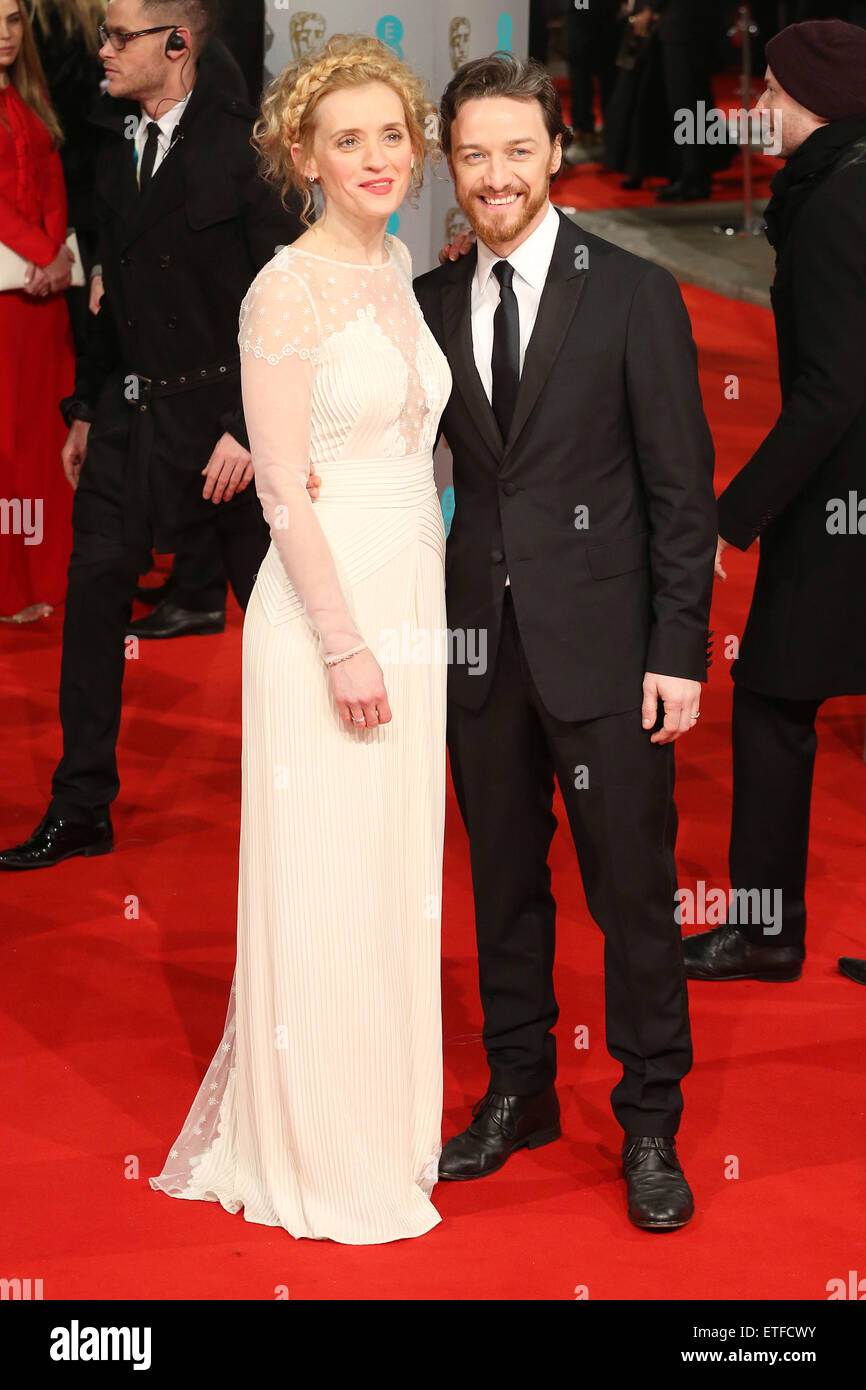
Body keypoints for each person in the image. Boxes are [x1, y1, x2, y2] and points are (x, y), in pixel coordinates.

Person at [320, 52, 718, 1230]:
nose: (495, 175)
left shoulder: (633, 293)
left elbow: (680, 493)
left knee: (630, 895)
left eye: (516, 151)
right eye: (473, 154)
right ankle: (519, 1087)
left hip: (608, 652)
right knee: (500, 884)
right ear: (450, 165)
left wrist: (678, 651)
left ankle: (649, 1120)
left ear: (554, 154)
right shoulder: (429, 302)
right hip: (476, 651)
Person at [149, 33, 452, 1244]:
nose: (376, 158)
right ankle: (315, 1149)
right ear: (302, 156)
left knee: (390, 877)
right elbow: (279, 484)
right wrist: (342, 643)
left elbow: (410, 442)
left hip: (409, 597)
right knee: (325, 879)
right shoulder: (284, 288)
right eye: (347, 140)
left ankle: (381, 1127)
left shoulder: (397, 266)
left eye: (392, 135)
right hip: (329, 619)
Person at [0, 0, 302, 871]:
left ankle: (313, 806)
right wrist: (88, 408)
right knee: (93, 601)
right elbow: (113, 295)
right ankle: (80, 806)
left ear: (176, 43)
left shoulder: (247, 150)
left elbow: (291, 302)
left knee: (282, 624)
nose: (101, 50)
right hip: (130, 417)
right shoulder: (112, 144)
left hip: (224, 432)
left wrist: (247, 427)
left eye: (117, 36)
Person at [683, 20, 866, 984]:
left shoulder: (835, 203)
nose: (754, 107)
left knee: (770, 701)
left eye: (770, 92)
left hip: (839, 500)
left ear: (815, 102)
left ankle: (764, 932)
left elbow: (830, 392)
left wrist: (736, 512)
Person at [0, 0, 75, 624]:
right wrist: (44, 253)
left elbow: (53, 181)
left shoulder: (31, 96)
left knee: (43, 439)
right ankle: (8, 586)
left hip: (43, 298)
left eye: (12, 20)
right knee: (6, 441)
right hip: (7, 298)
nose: (4, 34)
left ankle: (43, 576)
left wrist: (56, 253)